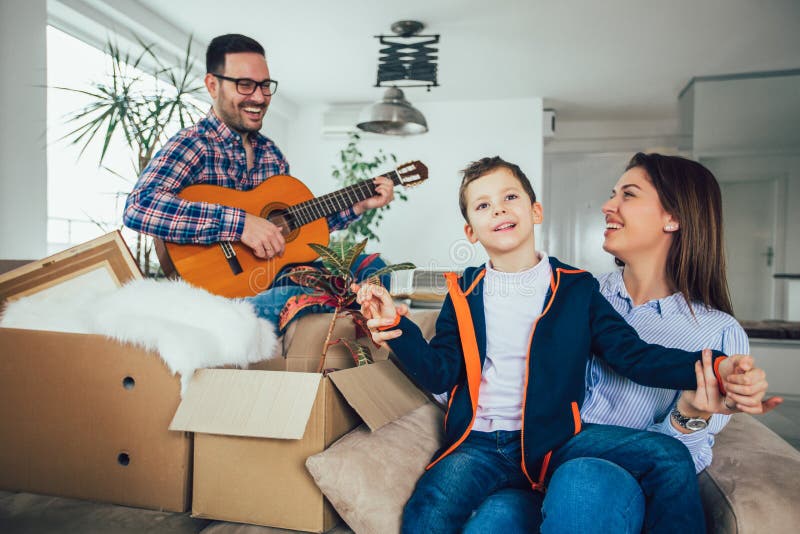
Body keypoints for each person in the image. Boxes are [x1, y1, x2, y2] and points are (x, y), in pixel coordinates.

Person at [354, 156, 770, 534]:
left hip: (556, 438)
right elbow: (439, 371)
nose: (498, 209)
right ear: (471, 232)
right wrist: (395, 327)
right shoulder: (462, 293)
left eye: (509, 197)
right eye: (482, 206)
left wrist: (716, 367)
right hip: (480, 443)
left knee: (669, 456)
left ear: (535, 211)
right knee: (429, 509)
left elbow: (635, 355)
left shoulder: (578, 288)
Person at [123, 34, 394, 323]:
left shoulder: (271, 154)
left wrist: (357, 206)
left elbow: (296, 233)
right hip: (221, 293)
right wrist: (239, 225)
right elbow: (140, 207)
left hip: (275, 280)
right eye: (245, 85)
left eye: (265, 85)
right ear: (212, 85)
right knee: (294, 298)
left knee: (375, 270)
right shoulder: (193, 144)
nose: (259, 97)